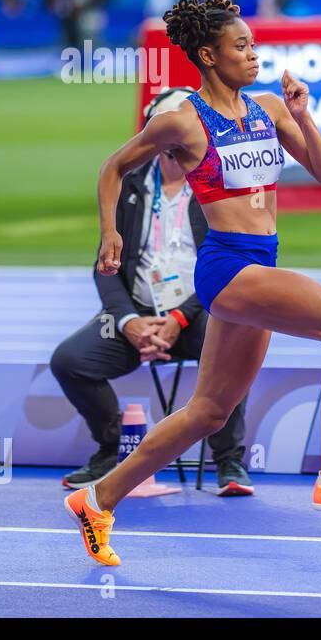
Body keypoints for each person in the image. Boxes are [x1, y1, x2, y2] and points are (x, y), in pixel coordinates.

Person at [65, 0, 321, 568]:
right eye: (241, 47)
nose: (254, 55)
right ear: (209, 55)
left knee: (209, 410)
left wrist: (303, 114)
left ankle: (98, 499)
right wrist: (110, 233)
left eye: (254, 45)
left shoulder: (268, 107)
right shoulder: (182, 120)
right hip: (229, 268)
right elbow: (113, 166)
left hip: (259, 261)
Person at [50, 88, 253, 496]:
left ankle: (229, 460)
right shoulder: (128, 187)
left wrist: (180, 317)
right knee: (70, 360)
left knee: (235, 337)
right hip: (138, 315)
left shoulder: (221, 185)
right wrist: (129, 321)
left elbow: (234, 265)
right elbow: (105, 266)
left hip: (200, 311)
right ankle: (113, 450)